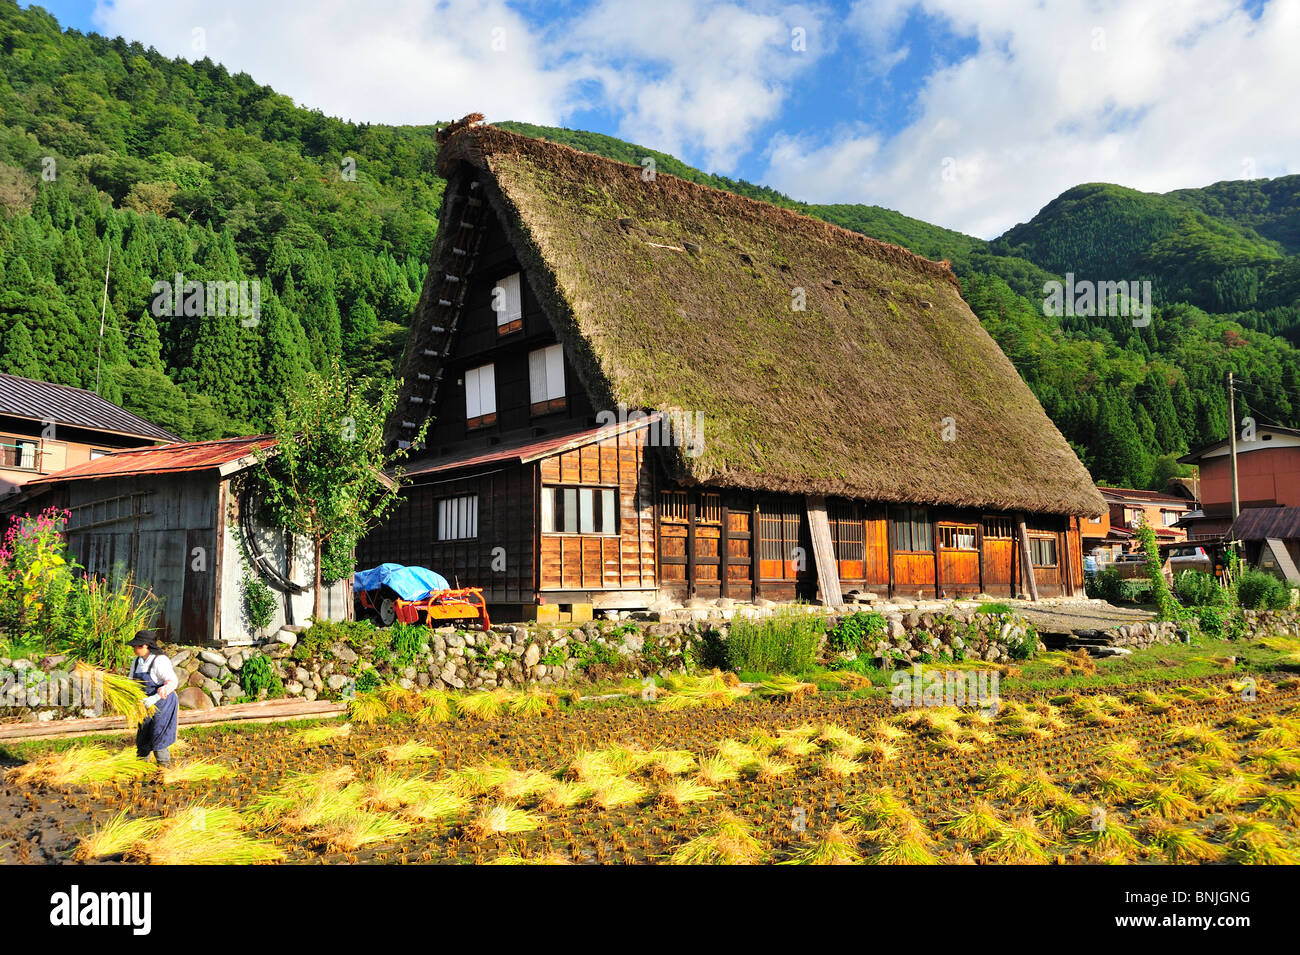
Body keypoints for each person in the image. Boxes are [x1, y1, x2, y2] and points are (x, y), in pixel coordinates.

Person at [128, 631, 179, 766]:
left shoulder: (159, 660)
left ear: (145, 646)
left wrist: (156, 696)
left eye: (136, 646)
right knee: (143, 736)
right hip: (145, 704)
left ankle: (164, 770)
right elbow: (131, 683)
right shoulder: (136, 661)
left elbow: (172, 682)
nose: (134, 649)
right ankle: (142, 769)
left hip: (163, 703)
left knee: (159, 737)